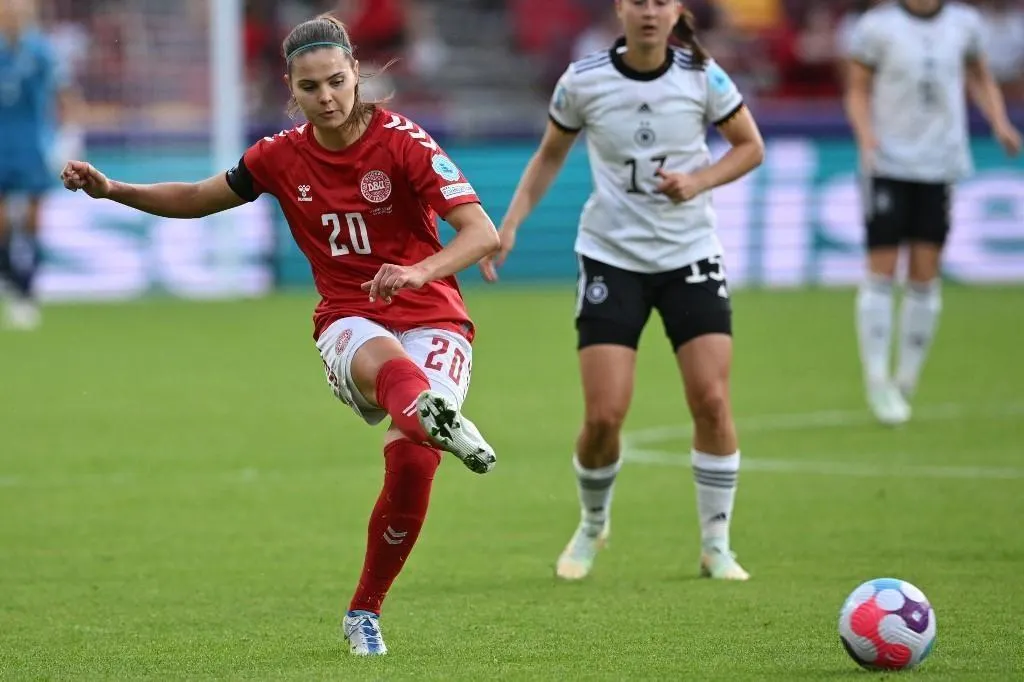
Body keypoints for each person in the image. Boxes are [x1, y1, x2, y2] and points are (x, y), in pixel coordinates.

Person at [61, 14, 500, 657]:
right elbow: (196, 196)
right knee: (386, 368)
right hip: (350, 317)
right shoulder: (278, 155)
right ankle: (433, 412)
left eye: (337, 81)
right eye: (311, 86)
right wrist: (113, 189)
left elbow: (481, 232)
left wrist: (416, 272)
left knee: (411, 459)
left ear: (357, 73)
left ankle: (364, 610)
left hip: (432, 314)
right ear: (290, 91)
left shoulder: (405, 142)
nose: (327, 96)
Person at [481, 0, 765, 582]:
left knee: (711, 400)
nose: (649, 12)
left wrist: (699, 180)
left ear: (676, 10)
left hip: (690, 255)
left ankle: (717, 544)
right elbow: (549, 156)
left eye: (661, 2)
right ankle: (592, 524)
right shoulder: (583, 81)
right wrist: (507, 226)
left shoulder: (701, 75)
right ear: (620, 9)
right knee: (605, 416)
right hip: (612, 257)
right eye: (638, 1)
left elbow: (750, 146)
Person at [845, 0, 1022, 425]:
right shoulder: (877, 27)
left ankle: (905, 379)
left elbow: (980, 75)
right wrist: (866, 135)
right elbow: (857, 88)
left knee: (925, 272)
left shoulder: (965, 24)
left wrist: (999, 121)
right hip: (888, 163)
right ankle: (876, 379)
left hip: (940, 162)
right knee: (882, 268)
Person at [0, 0, 76, 329]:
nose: (11, 16)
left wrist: (68, 139)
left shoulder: (42, 51)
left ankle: (28, 291)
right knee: (1, 224)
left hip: (33, 146)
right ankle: (15, 287)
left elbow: (64, 95)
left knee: (33, 221)